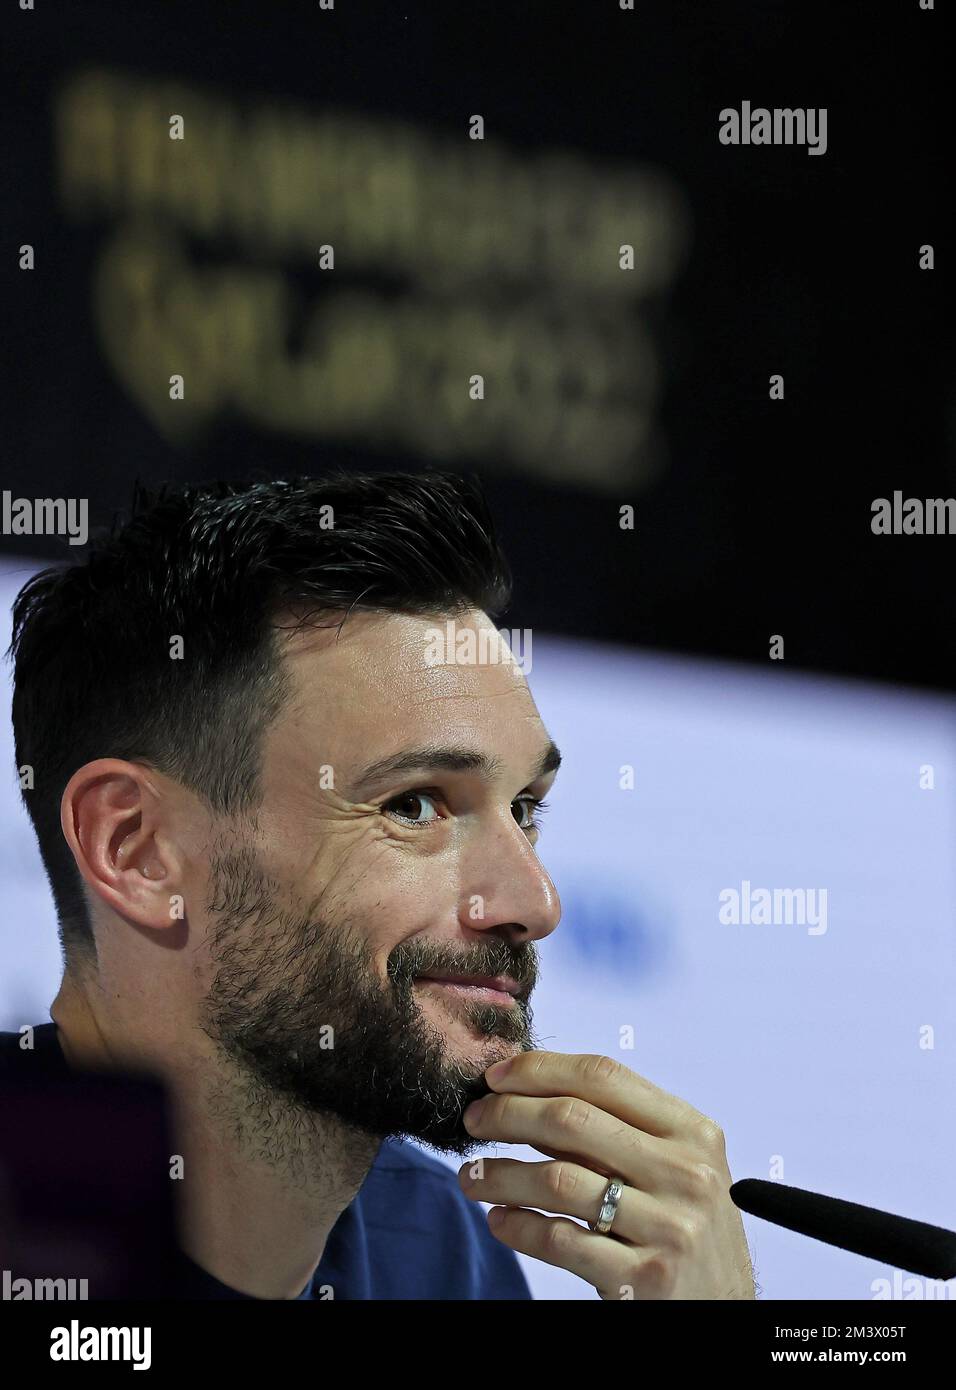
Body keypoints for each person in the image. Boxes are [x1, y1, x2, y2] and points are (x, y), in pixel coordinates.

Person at [1, 470, 755, 1300]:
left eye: (526, 809)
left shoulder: (443, 1256)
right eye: (416, 804)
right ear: (136, 849)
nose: (534, 905)